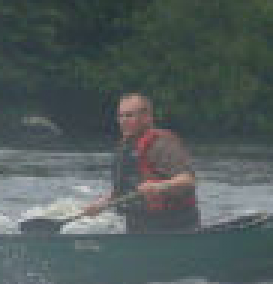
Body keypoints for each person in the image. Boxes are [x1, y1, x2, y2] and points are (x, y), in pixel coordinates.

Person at [79, 92, 199, 232]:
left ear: (147, 117)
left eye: (129, 115)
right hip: (137, 225)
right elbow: (125, 190)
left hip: (173, 225)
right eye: (120, 116)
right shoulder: (125, 147)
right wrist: (102, 204)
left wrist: (159, 187)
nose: (123, 121)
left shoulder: (162, 144)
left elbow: (188, 179)